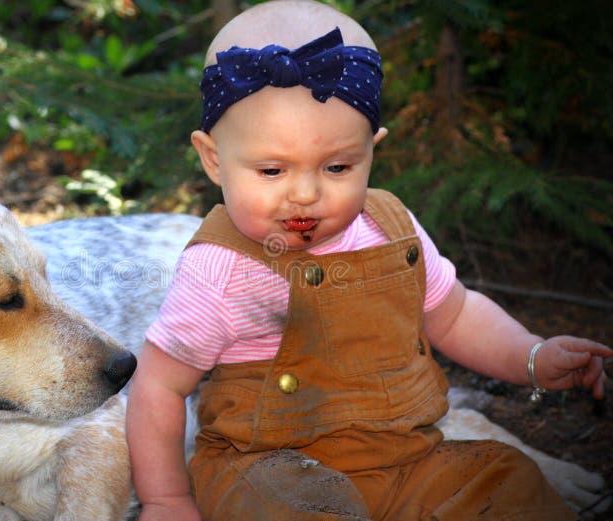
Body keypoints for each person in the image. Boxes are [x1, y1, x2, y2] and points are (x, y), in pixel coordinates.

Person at [126, 1, 612, 520]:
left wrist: (532, 357)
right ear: (213, 159)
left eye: (337, 166)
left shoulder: (390, 227)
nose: (306, 194)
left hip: (403, 461)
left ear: (371, 152)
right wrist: (167, 499)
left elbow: (456, 313)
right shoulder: (220, 269)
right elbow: (159, 386)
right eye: (272, 171)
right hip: (268, 471)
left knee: (508, 483)